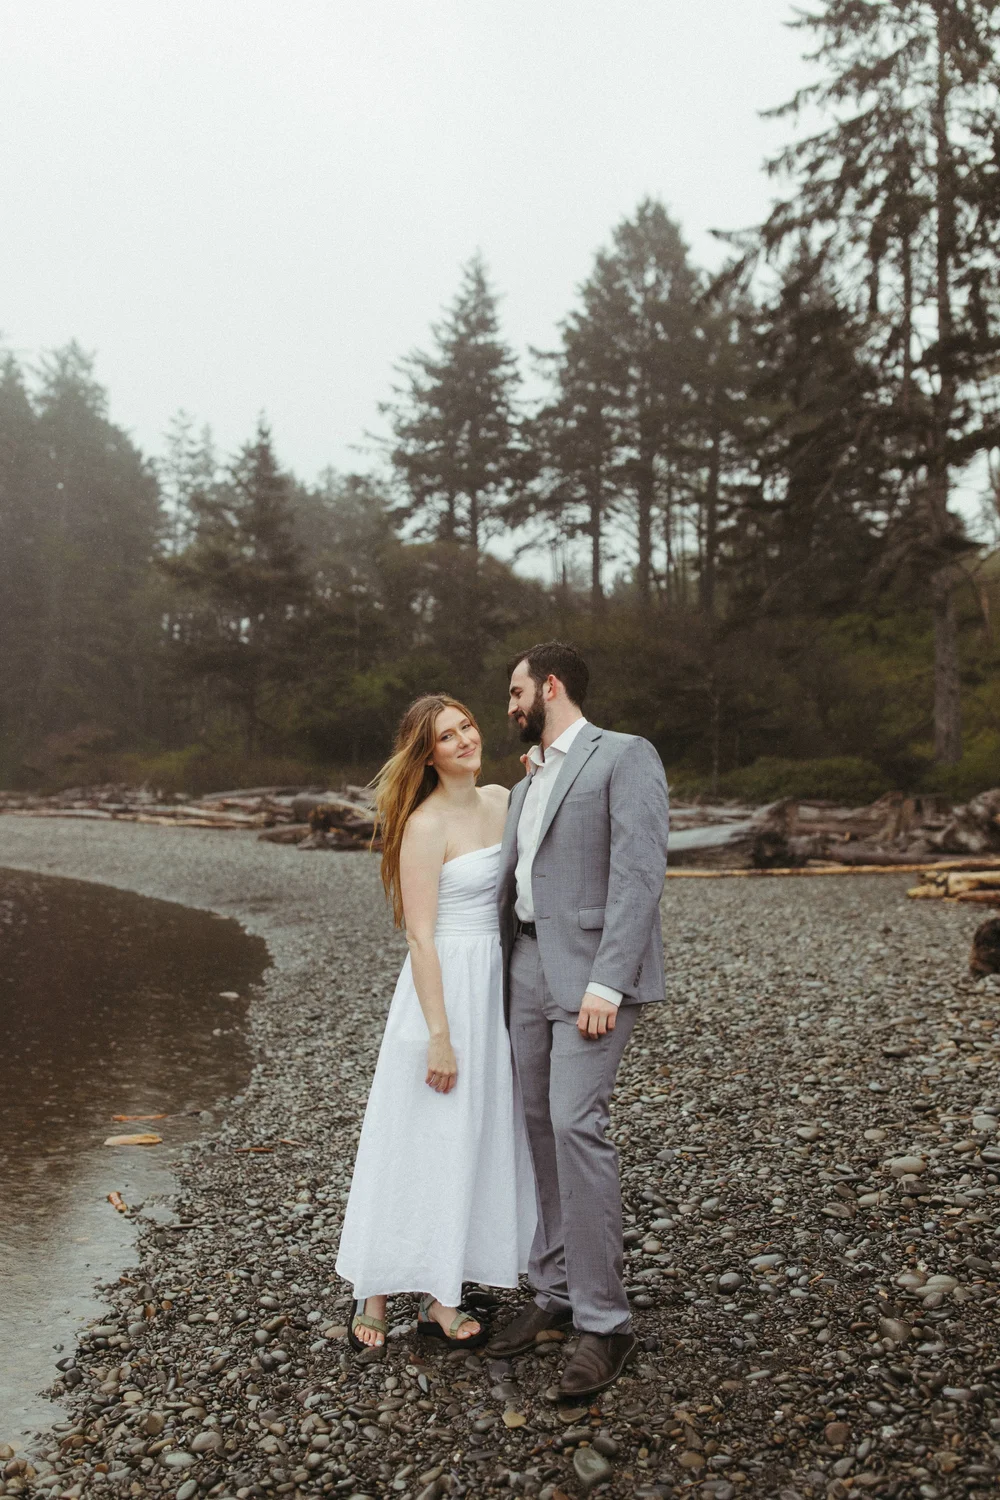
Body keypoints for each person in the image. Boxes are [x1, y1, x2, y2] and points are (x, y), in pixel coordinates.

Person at [488, 641, 669, 1398]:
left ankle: (606, 1324)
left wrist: (608, 981)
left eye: (515, 691)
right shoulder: (528, 782)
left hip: (591, 980)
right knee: (537, 1127)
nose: (509, 706)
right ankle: (554, 1293)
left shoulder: (624, 756)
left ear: (550, 686)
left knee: (574, 1124)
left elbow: (639, 871)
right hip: (524, 969)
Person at [335, 694, 535, 1349]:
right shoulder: (423, 825)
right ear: (427, 754)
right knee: (415, 1137)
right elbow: (420, 937)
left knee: (468, 1137)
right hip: (441, 990)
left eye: (468, 726)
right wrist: (439, 1038)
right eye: (448, 736)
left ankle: (441, 1296)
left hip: (491, 986)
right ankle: (375, 1286)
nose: (465, 740)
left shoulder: (505, 800)